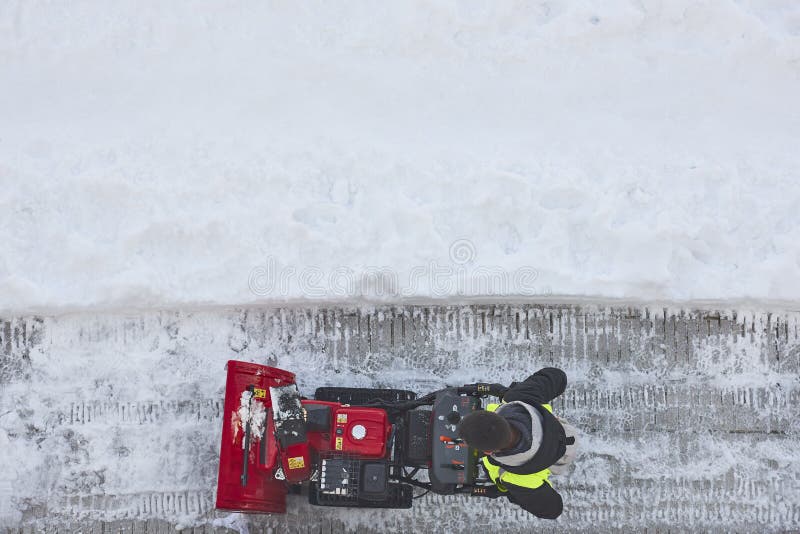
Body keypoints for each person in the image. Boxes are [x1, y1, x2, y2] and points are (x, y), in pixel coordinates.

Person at [457, 367, 577, 519]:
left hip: (559, 459)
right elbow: (558, 376)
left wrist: (510, 492)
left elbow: (553, 510)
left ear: (487, 452)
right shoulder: (519, 397)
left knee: (495, 472)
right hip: (559, 432)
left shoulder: (517, 479)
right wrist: (509, 392)